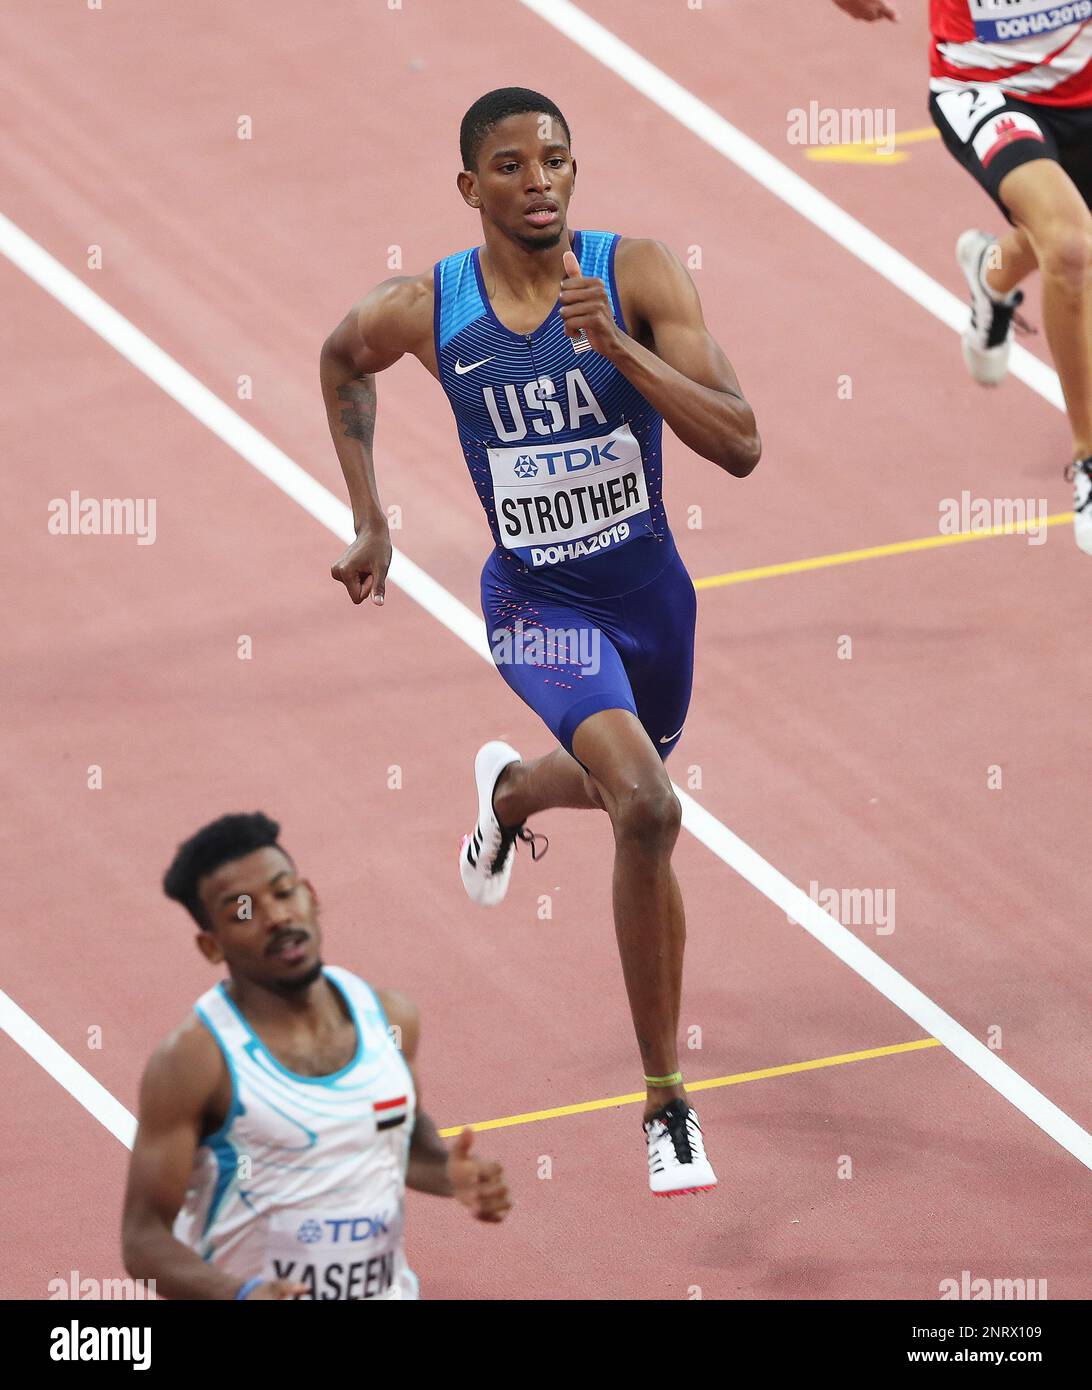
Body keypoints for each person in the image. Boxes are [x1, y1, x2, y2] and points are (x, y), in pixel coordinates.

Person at [321, 88, 761, 1196]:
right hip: (537, 609)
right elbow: (340, 361)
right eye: (511, 167)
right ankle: (666, 1104)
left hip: (654, 601)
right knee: (649, 805)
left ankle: (511, 797)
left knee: (627, 775)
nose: (540, 182)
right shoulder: (429, 308)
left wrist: (617, 344)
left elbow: (742, 442)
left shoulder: (641, 272)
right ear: (471, 188)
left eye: (556, 160)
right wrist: (372, 515)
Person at [121, 812, 510, 1300]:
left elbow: (397, 1143)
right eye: (243, 910)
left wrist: (452, 1174)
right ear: (210, 945)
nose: (278, 917)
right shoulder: (195, 1061)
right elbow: (142, 1240)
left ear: (311, 895)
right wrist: (238, 1295)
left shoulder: (389, 1019)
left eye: (284, 892)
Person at [834, 0, 1092, 553]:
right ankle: (1088, 459)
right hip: (988, 88)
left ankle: (991, 274)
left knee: (1065, 232)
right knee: (1070, 247)